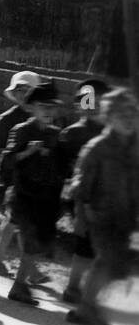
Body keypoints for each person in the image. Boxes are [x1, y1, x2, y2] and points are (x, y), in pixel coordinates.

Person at [66, 88, 139, 325]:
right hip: (100, 215)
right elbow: (79, 182)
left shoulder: (134, 147)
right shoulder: (97, 148)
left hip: (127, 214)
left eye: (132, 113)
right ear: (109, 117)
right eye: (121, 114)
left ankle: (88, 303)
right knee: (106, 260)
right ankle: (85, 307)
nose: (128, 119)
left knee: (116, 263)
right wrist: (82, 214)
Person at [0, 83, 65, 305]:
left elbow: (61, 166)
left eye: (51, 107)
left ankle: (21, 283)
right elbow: (7, 161)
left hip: (47, 197)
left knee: (39, 242)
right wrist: (29, 151)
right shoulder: (22, 130)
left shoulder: (56, 134)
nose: (47, 111)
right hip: (24, 195)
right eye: (41, 106)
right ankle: (19, 286)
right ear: (31, 108)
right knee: (31, 241)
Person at [0, 70, 45, 276]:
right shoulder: (6, 120)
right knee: (21, 220)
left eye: (28, 90)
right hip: (7, 180)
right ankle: (31, 270)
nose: (23, 94)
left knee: (17, 221)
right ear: (14, 93)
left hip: (31, 181)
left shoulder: (40, 117)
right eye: (19, 90)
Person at [60, 78, 109, 305]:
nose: (93, 106)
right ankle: (73, 287)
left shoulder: (109, 134)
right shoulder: (72, 134)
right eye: (88, 101)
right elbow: (62, 169)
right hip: (79, 195)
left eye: (99, 101)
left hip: (103, 197)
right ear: (79, 104)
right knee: (87, 243)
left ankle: (86, 288)